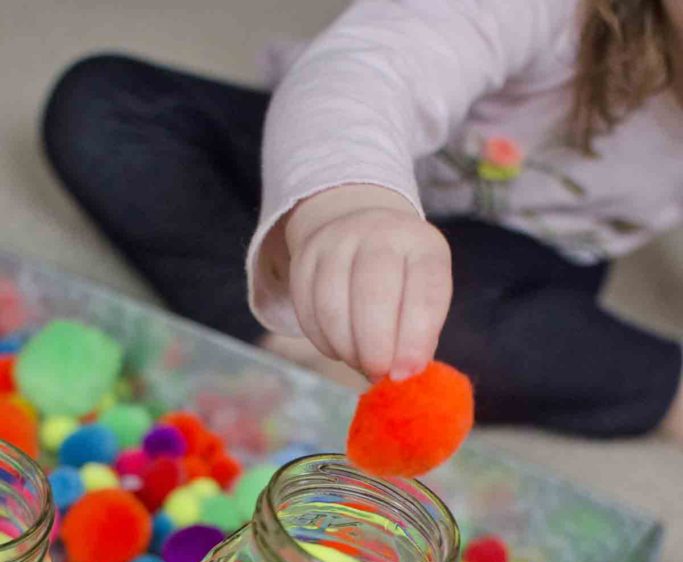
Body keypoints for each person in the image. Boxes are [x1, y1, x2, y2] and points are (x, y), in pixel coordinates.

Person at [42, 0, 683, 439]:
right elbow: (373, 67)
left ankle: (328, 332)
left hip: (523, 254)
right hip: (344, 171)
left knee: (499, 335)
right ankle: (298, 336)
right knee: (105, 105)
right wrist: (352, 204)